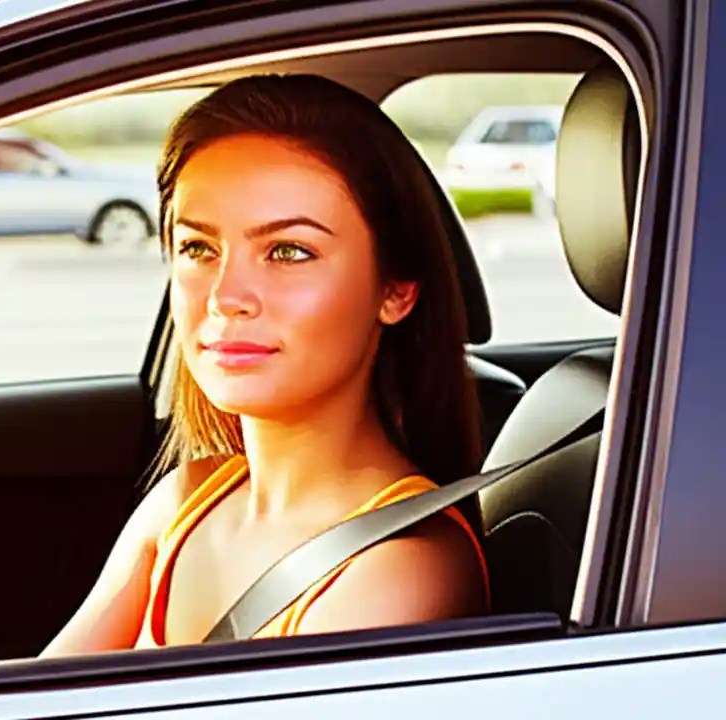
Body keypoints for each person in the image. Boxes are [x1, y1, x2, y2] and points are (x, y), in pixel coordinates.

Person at [41, 74, 489, 655]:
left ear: (395, 290)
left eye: (289, 251)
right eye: (199, 249)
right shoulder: (187, 501)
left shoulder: (402, 565)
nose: (227, 296)